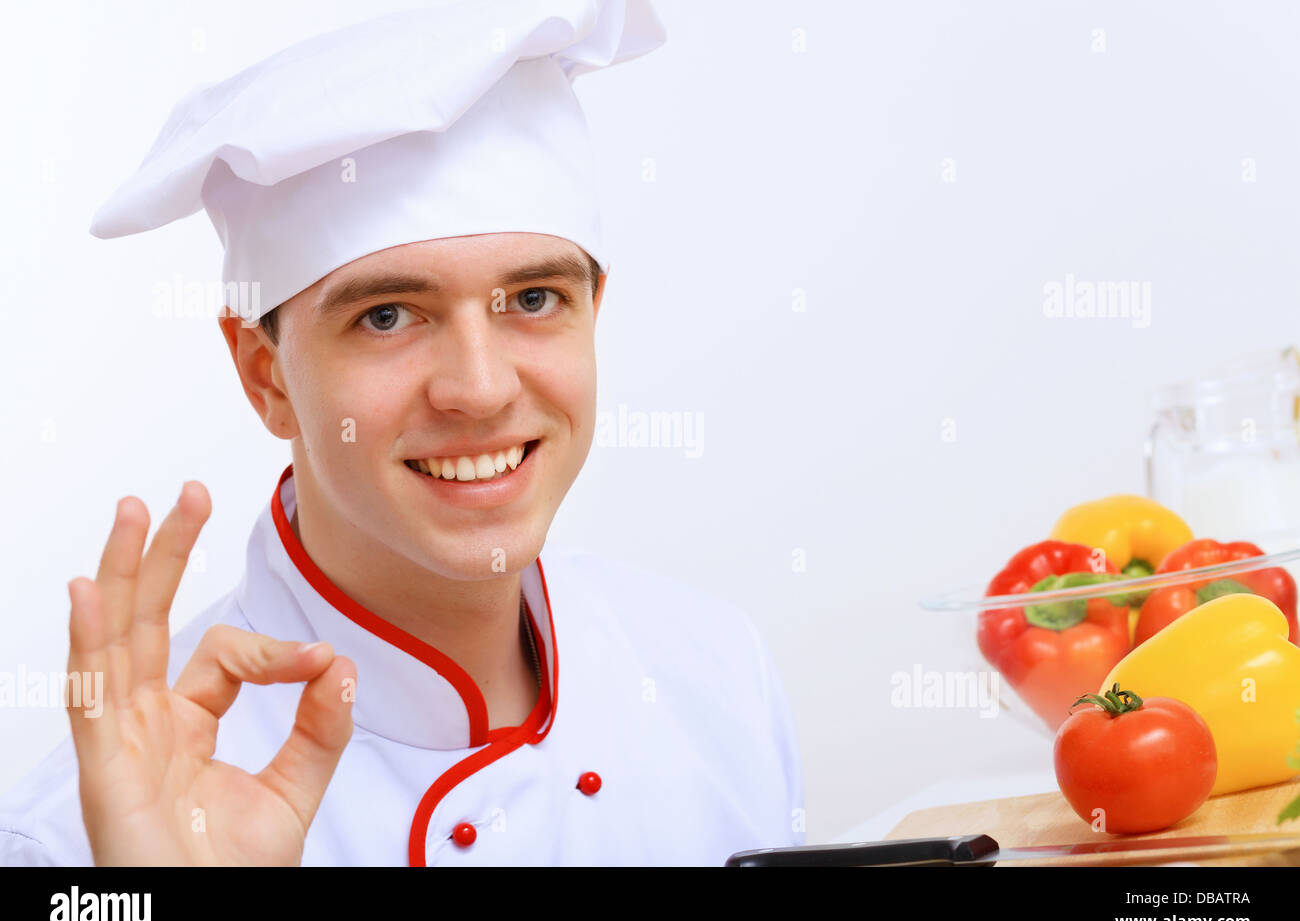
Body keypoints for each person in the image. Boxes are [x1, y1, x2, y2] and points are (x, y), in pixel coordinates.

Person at [0, 0, 804, 866]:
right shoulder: (89, 841)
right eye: (388, 315)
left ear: (592, 314)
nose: (482, 388)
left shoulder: (714, 670)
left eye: (534, 300)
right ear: (264, 374)